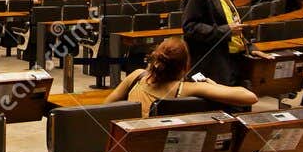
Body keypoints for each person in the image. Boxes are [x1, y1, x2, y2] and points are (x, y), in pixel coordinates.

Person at [107, 37, 257, 115]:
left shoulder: (136, 76)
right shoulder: (188, 89)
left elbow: (106, 107)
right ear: (186, 66)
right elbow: (249, 97)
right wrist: (213, 86)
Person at [181, 0, 252, 86]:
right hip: (214, 65)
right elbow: (190, 28)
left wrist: (252, 48)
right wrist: (226, 30)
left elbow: (234, 28)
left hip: (236, 61)